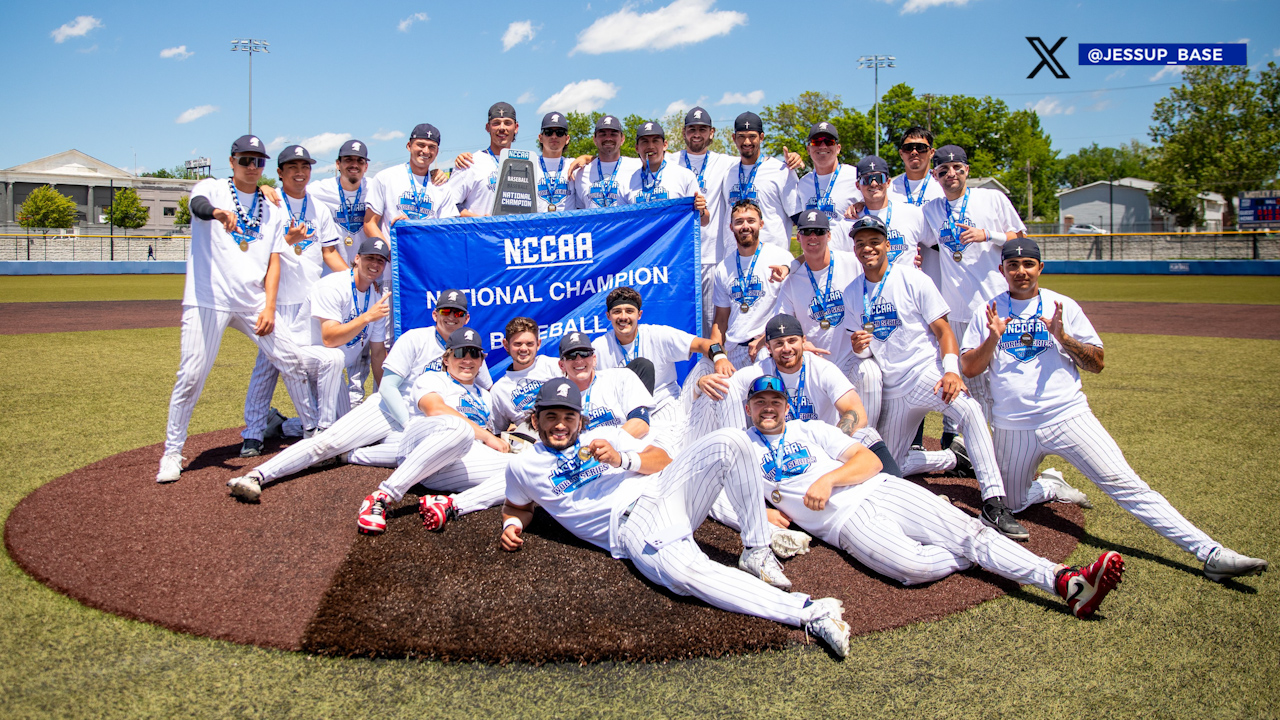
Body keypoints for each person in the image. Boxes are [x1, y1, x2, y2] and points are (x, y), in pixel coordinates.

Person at [960, 238, 1270, 580]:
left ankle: (1212, 554)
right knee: (1011, 505)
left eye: (1028, 264)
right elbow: (970, 369)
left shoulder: (1063, 305)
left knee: (1128, 486)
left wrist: (1063, 337)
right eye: (1013, 265)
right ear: (1002, 270)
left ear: (1040, 268)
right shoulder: (987, 311)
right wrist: (993, 337)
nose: (1021, 271)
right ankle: (1049, 487)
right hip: (1013, 426)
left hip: (1068, 416)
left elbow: (1097, 364)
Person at [497, 378, 854, 657]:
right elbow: (518, 507)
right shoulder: (522, 466)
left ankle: (757, 550)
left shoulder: (603, 435)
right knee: (685, 574)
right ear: (535, 420)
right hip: (632, 524)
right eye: (551, 417)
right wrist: (512, 525)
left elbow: (663, 461)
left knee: (732, 439)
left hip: (666, 489)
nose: (560, 425)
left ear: (580, 419)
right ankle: (810, 611)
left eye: (568, 417)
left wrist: (622, 459)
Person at [733, 375, 1126, 619]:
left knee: (971, 535)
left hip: (880, 489)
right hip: (843, 523)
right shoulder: (742, 448)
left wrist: (829, 480)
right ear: (748, 409)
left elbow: (869, 461)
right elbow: (722, 494)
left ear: (786, 406)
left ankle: (1064, 580)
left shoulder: (811, 429)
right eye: (760, 403)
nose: (768, 409)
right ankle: (964, 539)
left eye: (775, 402)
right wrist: (758, 514)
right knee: (911, 568)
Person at [845, 215, 1024, 539]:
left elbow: (943, 332)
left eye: (874, 242)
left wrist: (951, 370)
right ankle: (950, 458)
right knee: (886, 467)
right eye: (861, 244)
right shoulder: (851, 292)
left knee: (969, 410)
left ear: (887, 245)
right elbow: (863, 349)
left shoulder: (913, 279)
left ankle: (994, 502)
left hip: (925, 374)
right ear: (855, 249)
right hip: (892, 390)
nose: (867, 248)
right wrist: (859, 349)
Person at [224, 287, 488, 500]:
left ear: (466, 318)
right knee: (327, 443)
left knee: (436, 456)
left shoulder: (469, 353)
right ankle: (257, 475)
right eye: (446, 311)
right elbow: (388, 387)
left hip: (422, 424)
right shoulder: (415, 338)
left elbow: (487, 388)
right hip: (388, 411)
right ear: (435, 314)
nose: (451, 317)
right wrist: (407, 424)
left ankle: (341, 452)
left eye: (458, 313)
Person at [157, 135, 318, 483]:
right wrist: (217, 213)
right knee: (192, 375)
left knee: (291, 360)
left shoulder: (272, 206)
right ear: (231, 161)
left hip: (252, 300)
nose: (252, 166)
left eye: (258, 161)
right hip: (208, 297)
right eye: (245, 159)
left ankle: (312, 435)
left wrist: (270, 307)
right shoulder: (212, 188)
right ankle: (172, 452)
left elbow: (274, 260)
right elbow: (198, 205)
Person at [415, 330, 656, 533]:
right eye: (571, 355)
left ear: (594, 358)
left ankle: (452, 502)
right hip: (577, 465)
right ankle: (453, 504)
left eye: (584, 353)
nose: (578, 360)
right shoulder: (557, 397)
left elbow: (641, 422)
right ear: (561, 364)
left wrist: (607, 448)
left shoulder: (619, 377)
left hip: (617, 456)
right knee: (523, 470)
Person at [240, 145, 349, 456]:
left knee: (313, 368)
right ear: (280, 172)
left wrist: (354, 279)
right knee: (268, 368)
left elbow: (329, 252)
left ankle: (312, 428)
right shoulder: (267, 204)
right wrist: (289, 239)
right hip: (275, 301)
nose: (300, 173)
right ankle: (253, 432)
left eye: (305, 167)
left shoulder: (319, 208)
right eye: (292, 167)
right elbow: (256, 253)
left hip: (310, 303)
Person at [356, 328, 512, 535]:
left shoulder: (486, 396)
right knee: (460, 428)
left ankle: (451, 504)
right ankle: (382, 497)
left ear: (481, 361)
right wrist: (487, 436)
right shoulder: (433, 378)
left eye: (474, 354)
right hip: (423, 445)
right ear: (446, 359)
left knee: (523, 470)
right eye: (460, 353)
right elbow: (435, 409)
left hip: (454, 465)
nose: (467, 359)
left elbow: (493, 432)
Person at [921, 144, 1026, 423]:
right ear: (935, 175)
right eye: (943, 170)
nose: (951, 174)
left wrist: (987, 235)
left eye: (957, 168)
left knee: (1004, 377)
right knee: (965, 380)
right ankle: (963, 437)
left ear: (967, 170)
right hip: (956, 310)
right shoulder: (932, 209)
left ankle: (1010, 434)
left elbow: (1020, 238)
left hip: (995, 305)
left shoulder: (992, 198)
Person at [776, 211, 881, 426]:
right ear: (798, 237)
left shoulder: (852, 263)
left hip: (850, 357)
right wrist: (801, 344)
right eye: (807, 232)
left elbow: (880, 272)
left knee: (870, 373)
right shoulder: (792, 282)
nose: (813, 236)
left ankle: (866, 437)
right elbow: (782, 323)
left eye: (819, 231)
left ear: (829, 235)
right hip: (816, 362)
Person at [591, 286, 719, 454]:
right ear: (608, 316)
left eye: (629, 311)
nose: (623, 317)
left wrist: (720, 358)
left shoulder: (657, 334)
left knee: (709, 363)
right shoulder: (599, 347)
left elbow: (705, 344)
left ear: (639, 315)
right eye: (617, 312)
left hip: (665, 407)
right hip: (628, 416)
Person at [666, 107, 737, 334]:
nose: (697, 134)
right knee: (678, 321)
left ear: (712, 132)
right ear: (684, 132)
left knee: (711, 322)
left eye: (702, 129)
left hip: (710, 257)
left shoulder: (725, 163)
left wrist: (793, 160)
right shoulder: (668, 160)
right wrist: (587, 158)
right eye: (692, 129)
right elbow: (628, 163)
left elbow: (754, 158)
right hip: (677, 257)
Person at [707, 199, 794, 368]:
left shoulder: (780, 257)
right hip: (735, 349)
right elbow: (721, 319)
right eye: (739, 222)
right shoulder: (723, 268)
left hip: (768, 346)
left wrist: (764, 339)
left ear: (761, 224)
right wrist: (716, 356)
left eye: (751, 221)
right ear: (731, 227)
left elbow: (792, 310)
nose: (745, 226)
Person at [364, 123, 459, 245]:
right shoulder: (385, 178)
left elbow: (448, 231)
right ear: (409, 146)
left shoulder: (442, 186)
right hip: (393, 255)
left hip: (427, 254)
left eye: (431, 147)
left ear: (437, 152)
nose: (426, 151)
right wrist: (389, 251)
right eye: (421, 145)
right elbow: (369, 223)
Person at [721, 111, 802, 253]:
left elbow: (798, 216)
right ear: (734, 138)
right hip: (734, 257)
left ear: (762, 137)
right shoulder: (728, 172)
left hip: (771, 257)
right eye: (741, 137)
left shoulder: (781, 170)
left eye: (752, 136)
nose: (747, 142)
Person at [619, 122, 708, 228]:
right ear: (637, 148)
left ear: (665, 145)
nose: (650, 146)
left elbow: (704, 222)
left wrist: (701, 211)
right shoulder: (626, 183)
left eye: (655, 141)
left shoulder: (685, 176)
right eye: (645, 141)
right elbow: (620, 225)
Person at [488, 316, 563, 436]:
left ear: (538, 344)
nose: (523, 349)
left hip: (563, 431)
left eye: (529, 344)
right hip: (530, 441)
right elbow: (497, 433)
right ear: (506, 345)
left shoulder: (554, 366)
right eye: (517, 344)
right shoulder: (499, 390)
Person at [850, 155, 929, 270]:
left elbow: (936, 244)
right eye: (866, 179)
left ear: (888, 182)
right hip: (869, 281)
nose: (873, 183)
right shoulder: (851, 220)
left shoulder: (912, 213)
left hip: (905, 281)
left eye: (879, 178)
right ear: (858, 185)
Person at [307, 138, 369, 270]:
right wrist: (266, 189)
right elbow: (291, 192)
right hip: (333, 273)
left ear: (366, 166)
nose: (354, 165)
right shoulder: (321, 189)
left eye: (360, 161)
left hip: (367, 272)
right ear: (338, 164)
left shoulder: (375, 188)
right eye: (348, 160)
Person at [797, 122, 860, 250]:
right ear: (808, 149)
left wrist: (864, 203)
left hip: (847, 256)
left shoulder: (855, 176)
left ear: (838, 148)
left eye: (829, 141)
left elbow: (881, 205)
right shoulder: (803, 183)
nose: (823, 146)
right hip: (814, 256)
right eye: (816, 142)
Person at [451, 102, 519, 216]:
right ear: (488, 127)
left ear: (516, 128)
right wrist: (481, 221)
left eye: (507, 123)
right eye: (496, 123)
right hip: (480, 228)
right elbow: (449, 204)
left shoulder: (525, 164)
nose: (502, 128)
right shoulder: (470, 162)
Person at [573, 115, 642, 210]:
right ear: (594, 139)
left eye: (613, 134)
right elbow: (580, 211)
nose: (608, 138)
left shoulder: (638, 167)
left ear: (622, 139)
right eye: (603, 134)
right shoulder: (581, 173)